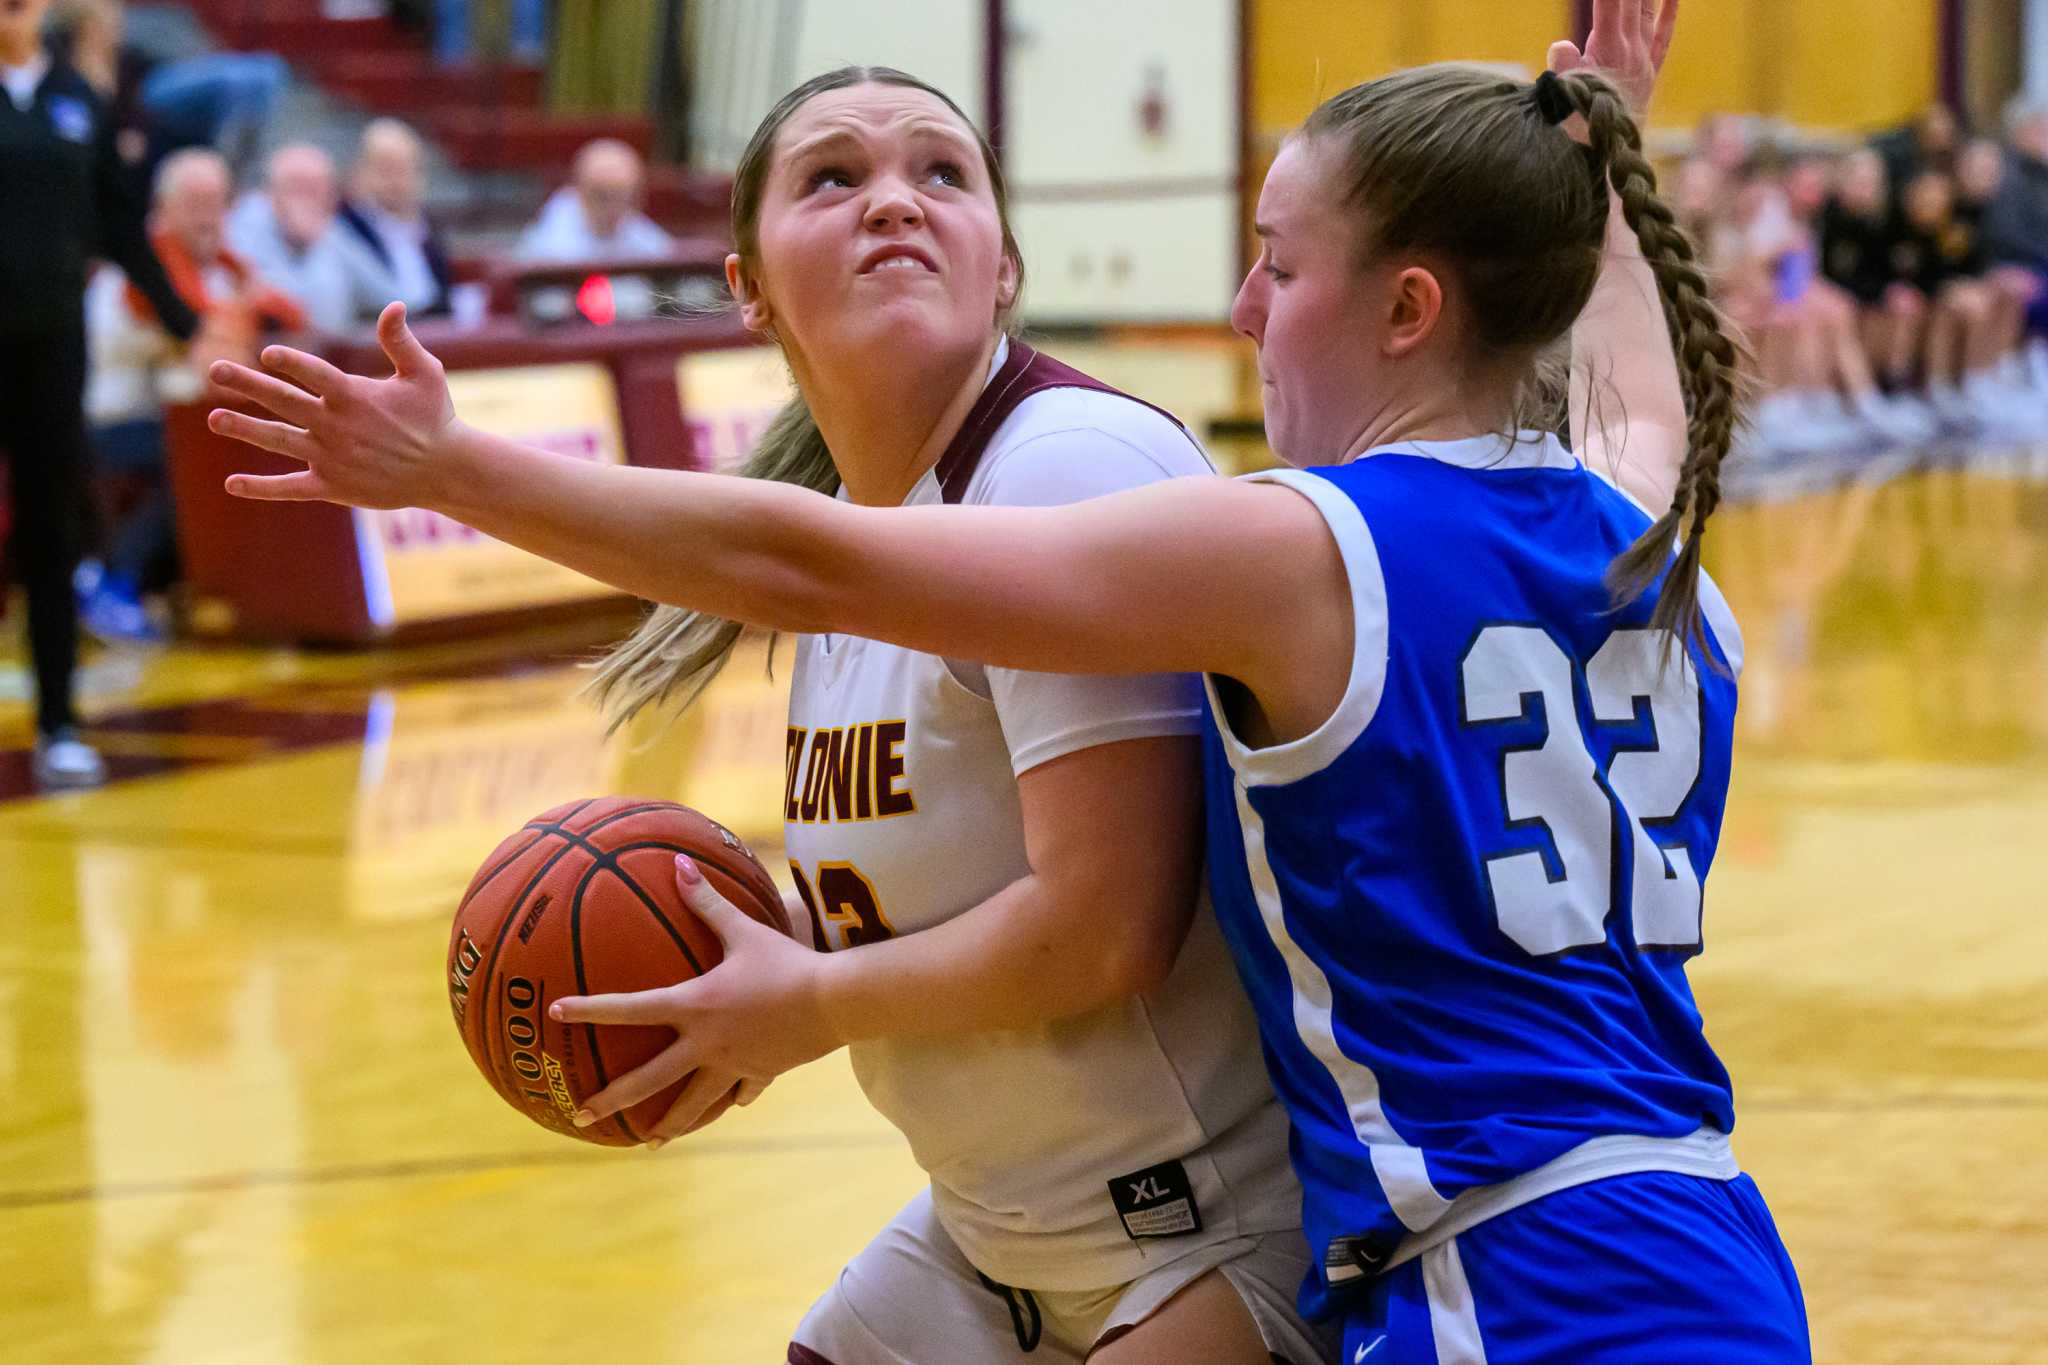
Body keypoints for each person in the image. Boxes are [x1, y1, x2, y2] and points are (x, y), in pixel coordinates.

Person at [212, 3, 1813, 1359]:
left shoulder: (1304, 548)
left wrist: (457, 470)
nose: (1244, 307)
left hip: (1507, 1273)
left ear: (1409, 308)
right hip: (1701, 1227)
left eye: (1277, 263)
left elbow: (810, 567)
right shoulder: (1644, 526)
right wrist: (1605, 154)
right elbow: (1639, 391)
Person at [1, 0, 197, 785]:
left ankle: (59, 723)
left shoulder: (76, 97)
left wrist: (186, 320)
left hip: (53, 353)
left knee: (52, 534)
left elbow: (119, 224)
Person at [80, 147, 306, 640]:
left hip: (189, 419)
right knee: (201, 459)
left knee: (255, 449)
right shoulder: (138, 275)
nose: (208, 217)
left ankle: (261, 589)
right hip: (116, 423)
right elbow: (203, 357)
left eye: (217, 203)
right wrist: (234, 327)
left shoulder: (229, 273)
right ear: (163, 208)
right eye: (195, 203)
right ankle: (109, 580)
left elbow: (288, 319)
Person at [227, 142, 392, 331]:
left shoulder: (331, 231)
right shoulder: (243, 226)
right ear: (270, 192)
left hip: (327, 346)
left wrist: (399, 221)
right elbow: (291, 311)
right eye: (296, 188)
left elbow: (390, 296)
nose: (305, 200)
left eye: (315, 189)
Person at [336, 118, 451, 318]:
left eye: (405, 169)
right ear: (359, 171)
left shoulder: (426, 225)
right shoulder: (342, 227)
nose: (396, 181)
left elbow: (440, 294)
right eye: (386, 169)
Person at [515, 137, 675, 263]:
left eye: (624, 198)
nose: (614, 207)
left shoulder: (636, 229)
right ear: (580, 190)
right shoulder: (548, 243)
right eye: (603, 196)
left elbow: (668, 260)